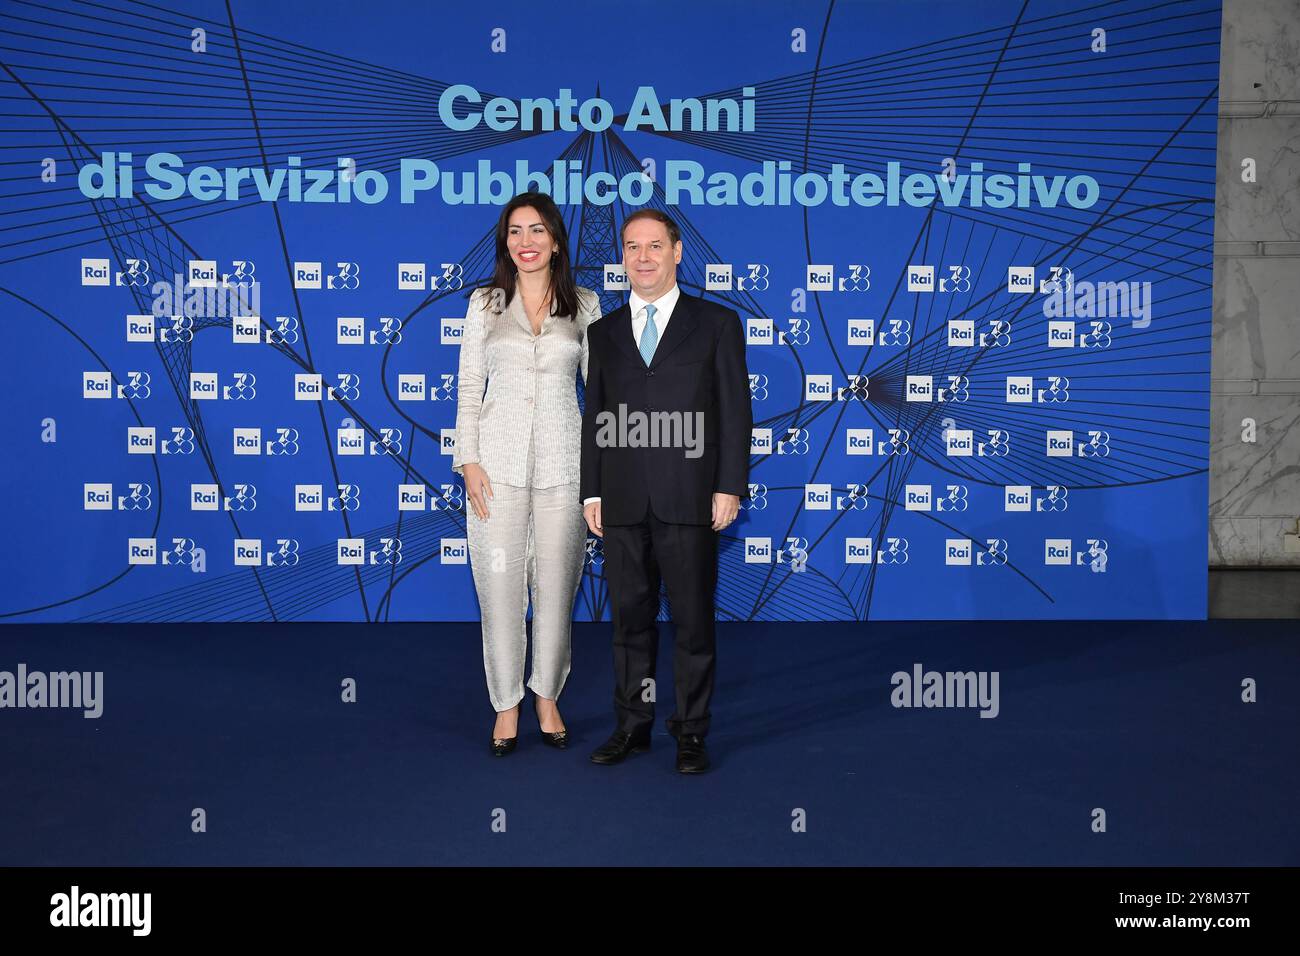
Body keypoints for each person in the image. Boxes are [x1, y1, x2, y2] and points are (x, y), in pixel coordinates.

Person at [580, 209, 752, 774]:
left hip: (690, 498)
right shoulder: (601, 333)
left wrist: (729, 486)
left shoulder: (717, 323)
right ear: (622, 256)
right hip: (624, 501)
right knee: (629, 622)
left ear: (678, 252)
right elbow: (596, 417)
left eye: (655, 245)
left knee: (693, 622)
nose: (644, 257)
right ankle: (633, 725)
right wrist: (592, 492)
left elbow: (734, 414)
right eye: (633, 247)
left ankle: (691, 731)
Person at [452, 192, 600, 756]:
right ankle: (506, 704)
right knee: (499, 593)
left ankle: (546, 695)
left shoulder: (584, 306)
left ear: (556, 240)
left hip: (566, 471)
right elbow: (469, 388)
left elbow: (602, 397)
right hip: (496, 469)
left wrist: (600, 480)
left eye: (537, 230)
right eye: (515, 232)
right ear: (505, 243)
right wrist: (467, 459)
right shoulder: (485, 303)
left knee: (558, 591)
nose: (527, 242)